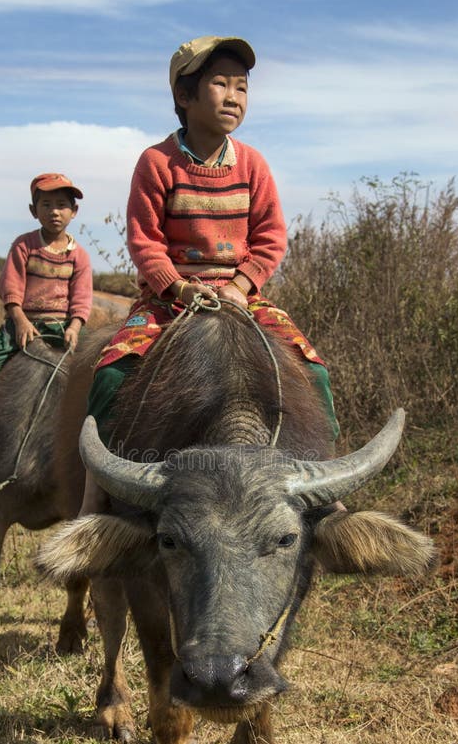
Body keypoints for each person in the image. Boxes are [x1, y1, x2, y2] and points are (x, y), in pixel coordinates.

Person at [79, 35, 341, 513]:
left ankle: (321, 480)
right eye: (219, 84)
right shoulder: (157, 163)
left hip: (241, 296)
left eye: (242, 87)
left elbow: (269, 238)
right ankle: (100, 489)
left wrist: (241, 287)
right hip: (170, 298)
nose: (234, 96)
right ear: (184, 96)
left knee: (314, 372)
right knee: (111, 373)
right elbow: (145, 242)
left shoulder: (253, 164)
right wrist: (177, 287)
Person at [0, 172, 93, 469]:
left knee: (92, 378)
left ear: (73, 212)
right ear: (33, 211)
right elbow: (10, 287)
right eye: (46, 204)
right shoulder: (24, 246)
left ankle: (93, 448)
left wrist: (76, 326)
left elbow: (82, 297)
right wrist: (20, 320)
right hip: (22, 323)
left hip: (63, 329)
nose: (54, 211)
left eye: (62, 205)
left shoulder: (80, 256)